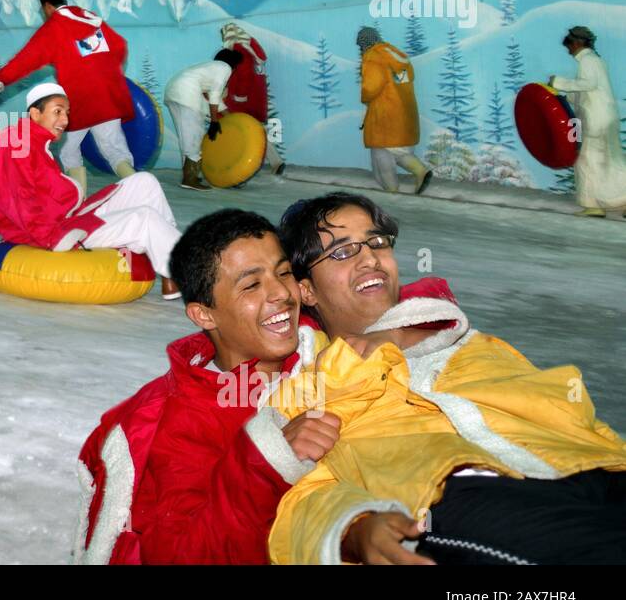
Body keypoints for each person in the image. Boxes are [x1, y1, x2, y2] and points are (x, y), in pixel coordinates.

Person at [263, 192, 626, 565]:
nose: (370, 258)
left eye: (376, 242)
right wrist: (353, 530)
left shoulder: (465, 342)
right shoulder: (312, 383)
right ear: (306, 290)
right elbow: (303, 499)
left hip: (585, 467)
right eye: (342, 251)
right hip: (458, 494)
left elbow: (568, 414)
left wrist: (405, 335)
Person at [75, 209, 340, 564]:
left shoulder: (325, 355)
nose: (281, 293)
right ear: (204, 315)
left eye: (283, 272)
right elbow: (183, 554)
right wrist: (269, 461)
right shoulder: (180, 424)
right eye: (251, 284)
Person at [0, 82, 182, 299]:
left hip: (69, 218)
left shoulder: (35, 141)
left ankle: (170, 269)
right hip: (56, 232)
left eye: (66, 112)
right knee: (144, 219)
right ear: (35, 113)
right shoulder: (18, 141)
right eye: (57, 111)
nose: (65, 120)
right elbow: (17, 197)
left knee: (144, 182)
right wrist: (50, 238)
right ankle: (190, 270)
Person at [0, 0, 135, 193]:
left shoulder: (53, 28)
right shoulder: (90, 17)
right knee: (114, 149)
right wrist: (105, 73)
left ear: (47, 6)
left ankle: (77, 200)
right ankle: (139, 188)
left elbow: (26, 59)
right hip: (108, 96)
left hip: (78, 100)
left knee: (68, 149)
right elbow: (119, 45)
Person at [548, 26, 626, 218]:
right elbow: (587, 90)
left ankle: (594, 205)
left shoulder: (589, 62)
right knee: (608, 161)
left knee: (588, 161)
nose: (568, 48)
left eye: (569, 44)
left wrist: (558, 82)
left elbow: (587, 85)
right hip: (603, 117)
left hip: (596, 120)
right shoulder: (595, 61)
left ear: (578, 43)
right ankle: (605, 202)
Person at [357, 26, 431, 194]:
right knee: (398, 152)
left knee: (382, 154)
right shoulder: (396, 55)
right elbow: (402, 80)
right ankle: (420, 170)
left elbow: (371, 87)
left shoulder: (373, 57)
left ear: (364, 43)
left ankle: (392, 192)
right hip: (405, 114)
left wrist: (364, 96)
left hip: (385, 115)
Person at [164, 49, 242, 190]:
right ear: (234, 64)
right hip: (186, 94)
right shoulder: (225, 68)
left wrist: (231, 118)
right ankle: (189, 179)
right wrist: (214, 121)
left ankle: (189, 175)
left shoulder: (211, 68)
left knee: (187, 136)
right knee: (195, 136)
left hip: (174, 92)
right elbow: (214, 95)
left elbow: (215, 98)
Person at [220, 23, 284, 175]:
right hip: (255, 101)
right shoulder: (252, 53)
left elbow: (244, 77)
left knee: (234, 132)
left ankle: (236, 168)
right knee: (257, 132)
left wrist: (238, 97)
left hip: (241, 103)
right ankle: (276, 162)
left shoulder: (239, 52)